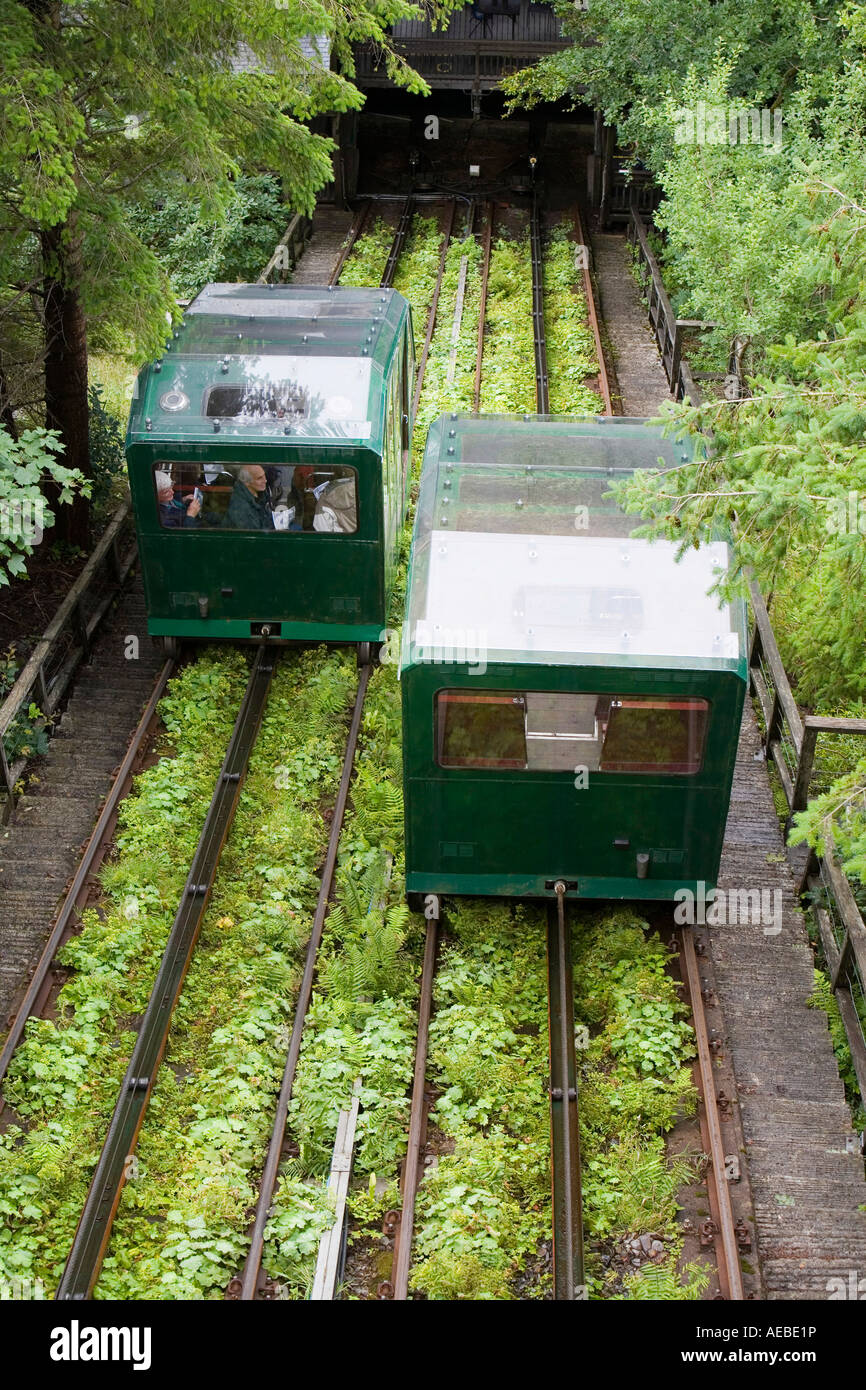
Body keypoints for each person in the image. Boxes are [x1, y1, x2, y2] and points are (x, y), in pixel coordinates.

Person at [225, 464, 276, 530]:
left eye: (264, 476)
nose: (265, 481)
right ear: (246, 482)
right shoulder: (240, 509)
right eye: (259, 478)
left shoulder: (260, 496)